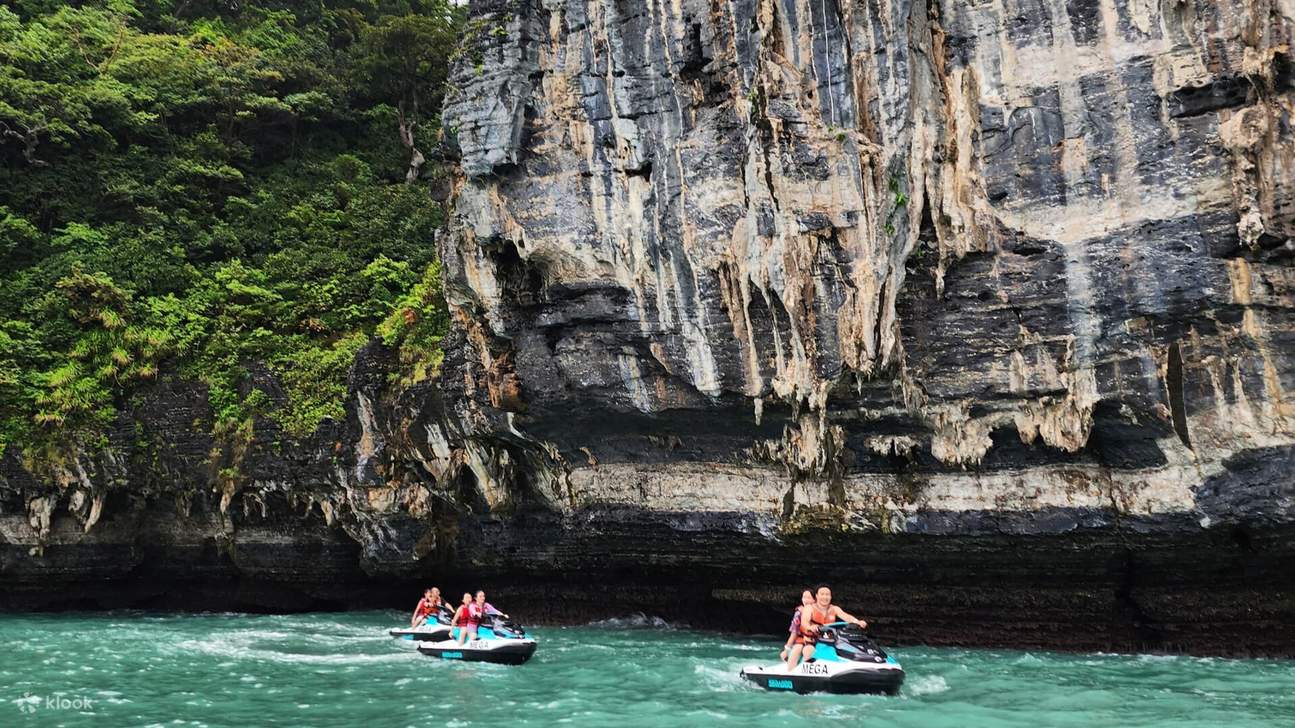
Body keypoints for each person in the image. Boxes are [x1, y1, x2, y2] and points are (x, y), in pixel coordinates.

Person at [799, 584, 867, 659]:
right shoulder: (809, 608)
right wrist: (810, 627)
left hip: (830, 640)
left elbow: (846, 617)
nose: (825, 597)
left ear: (830, 597)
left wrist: (858, 622)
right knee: (808, 651)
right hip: (811, 641)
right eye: (822, 594)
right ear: (817, 596)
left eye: (827, 594)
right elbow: (804, 622)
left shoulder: (834, 608)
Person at [779, 589, 815, 669]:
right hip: (802, 641)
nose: (806, 600)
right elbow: (794, 633)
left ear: (814, 599)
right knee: (797, 649)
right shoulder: (799, 613)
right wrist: (786, 650)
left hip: (816, 640)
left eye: (809, 597)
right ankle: (791, 672)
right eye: (804, 597)